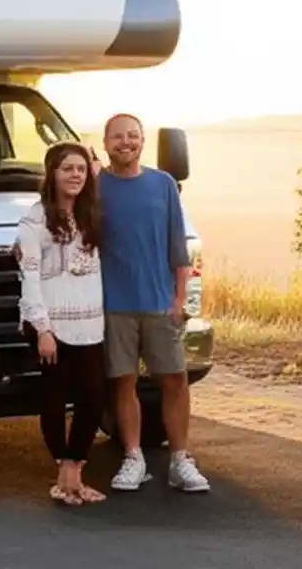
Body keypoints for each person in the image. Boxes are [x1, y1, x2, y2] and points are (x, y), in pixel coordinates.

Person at [99, 113, 210, 493]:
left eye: (132, 135)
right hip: (115, 305)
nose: (125, 142)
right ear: (105, 143)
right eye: (117, 137)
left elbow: (179, 248)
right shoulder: (95, 187)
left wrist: (179, 300)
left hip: (160, 302)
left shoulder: (162, 184)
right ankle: (133, 457)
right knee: (122, 382)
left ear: (143, 141)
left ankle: (181, 460)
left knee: (175, 380)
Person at [17, 142, 108, 506]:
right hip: (50, 325)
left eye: (81, 170)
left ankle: (75, 474)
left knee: (93, 397)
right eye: (67, 168)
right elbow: (30, 278)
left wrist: (97, 165)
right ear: (52, 173)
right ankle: (64, 474)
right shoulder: (34, 221)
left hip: (90, 323)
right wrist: (43, 329)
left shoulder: (91, 216)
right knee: (54, 398)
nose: (74, 175)